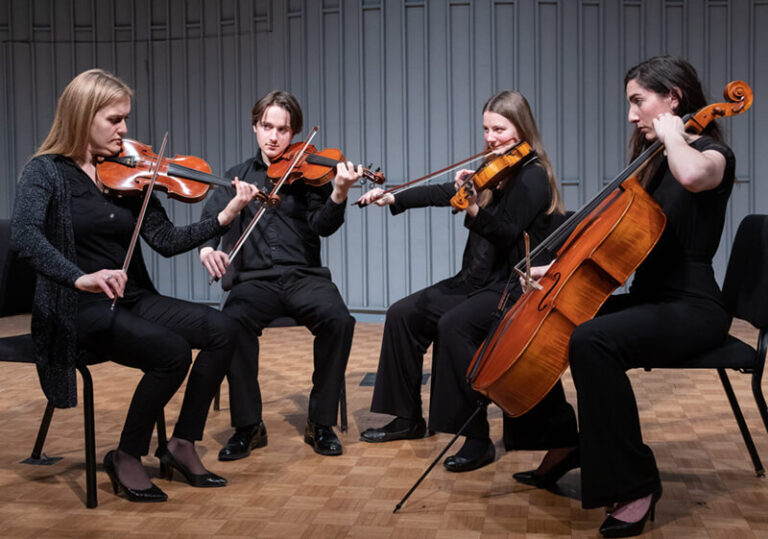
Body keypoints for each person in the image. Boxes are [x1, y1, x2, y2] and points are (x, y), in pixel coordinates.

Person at [11, 69, 260, 502]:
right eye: (114, 119)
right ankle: (126, 454)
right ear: (82, 116)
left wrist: (224, 217)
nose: (124, 129)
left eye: (125, 118)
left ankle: (181, 443)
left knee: (226, 330)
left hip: (132, 298)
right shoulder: (45, 172)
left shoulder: (126, 172)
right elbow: (26, 238)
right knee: (172, 352)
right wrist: (80, 276)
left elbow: (164, 241)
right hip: (76, 307)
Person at [513, 56, 736, 538]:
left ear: (673, 98)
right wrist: (557, 269)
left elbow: (696, 176)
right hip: (653, 298)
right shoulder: (653, 166)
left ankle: (635, 484)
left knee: (594, 341)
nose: (632, 115)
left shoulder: (710, 154)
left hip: (695, 308)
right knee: (551, 316)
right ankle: (563, 441)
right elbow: (612, 242)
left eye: (639, 101)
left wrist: (675, 133)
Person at [356, 90, 566, 472]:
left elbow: (506, 232)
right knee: (403, 314)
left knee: (453, 326)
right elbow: (443, 192)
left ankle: (477, 438)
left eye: (499, 128)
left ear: (521, 128)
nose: (490, 137)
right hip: (474, 279)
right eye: (486, 128)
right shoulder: (496, 170)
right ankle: (407, 418)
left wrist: (471, 207)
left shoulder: (533, 176)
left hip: (509, 287)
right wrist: (394, 198)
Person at [199, 90, 362, 459]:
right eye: (267, 127)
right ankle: (248, 425)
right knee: (232, 324)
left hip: (305, 277)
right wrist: (207, 247)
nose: (274, 137)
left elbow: (323, 226)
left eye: (283, 130)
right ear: (254, 127)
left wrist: (338, 195)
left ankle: (320, 422)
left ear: (295, 133)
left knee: (339, 320)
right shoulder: (236, 177)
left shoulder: (310, 175)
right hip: (254, 281)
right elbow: (211, 221)